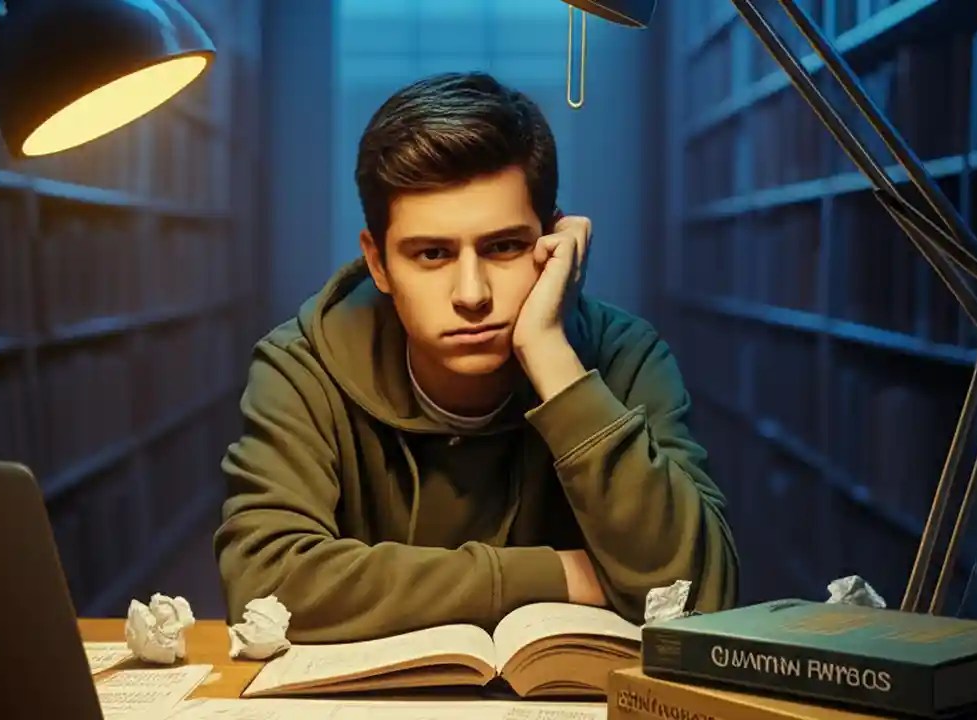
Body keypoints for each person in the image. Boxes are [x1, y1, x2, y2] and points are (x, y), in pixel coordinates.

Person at [214, 71, 739, 643]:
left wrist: (550, 355)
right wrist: (561, 573)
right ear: (379, 263)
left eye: (504, 247)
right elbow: (265, 585)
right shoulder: (300, 366)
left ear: (555, 244)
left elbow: (699, 594)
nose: (472, 294)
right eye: (433, 254)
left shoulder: (625, 356)